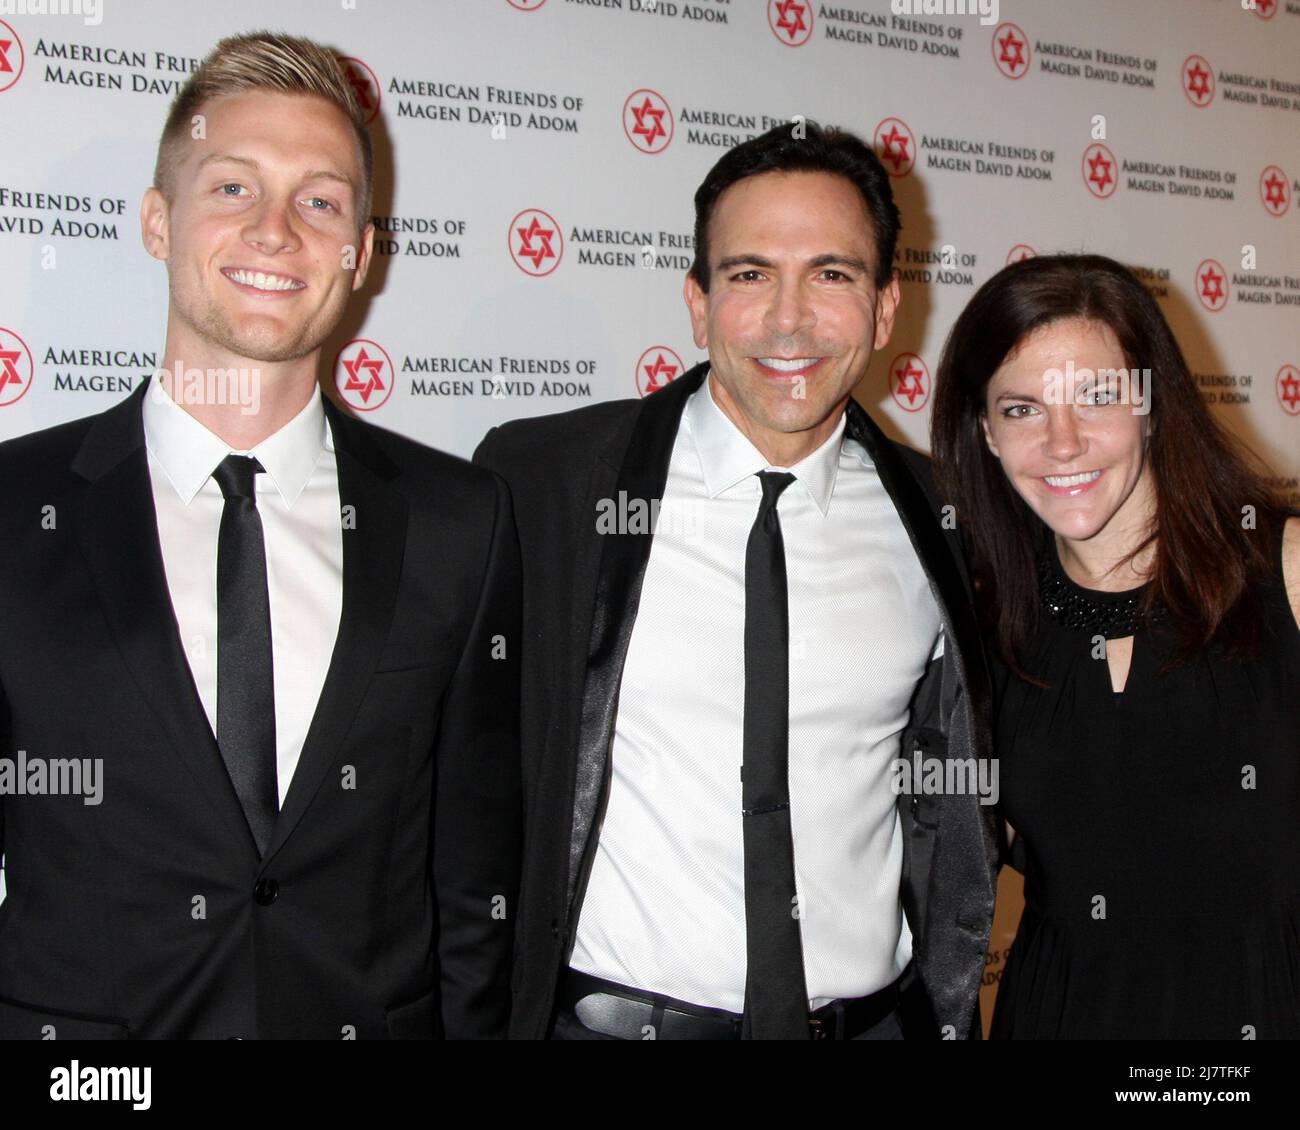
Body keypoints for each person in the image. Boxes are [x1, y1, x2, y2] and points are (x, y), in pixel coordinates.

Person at [0, 33, 521, 1040]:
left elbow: (472, 876)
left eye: (320, 200)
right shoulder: (12, 509)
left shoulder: (459, 520)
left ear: (360, 252)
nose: (276, 230)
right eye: (233, 187)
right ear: (159, 220)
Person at [477, 122, 998, 1041]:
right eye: (750, 274)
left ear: (885, 310)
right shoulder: (545, 482)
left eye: (832, 275)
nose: (788, 318)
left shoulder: (945, 517)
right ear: (697, 301)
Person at [930, 253, 1300, 1039]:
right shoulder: (981, 625)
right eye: (1023, 409)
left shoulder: (1289, 570)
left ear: (1154, 407)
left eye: (1097, 397)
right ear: (986, 435)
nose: (1063, 443)